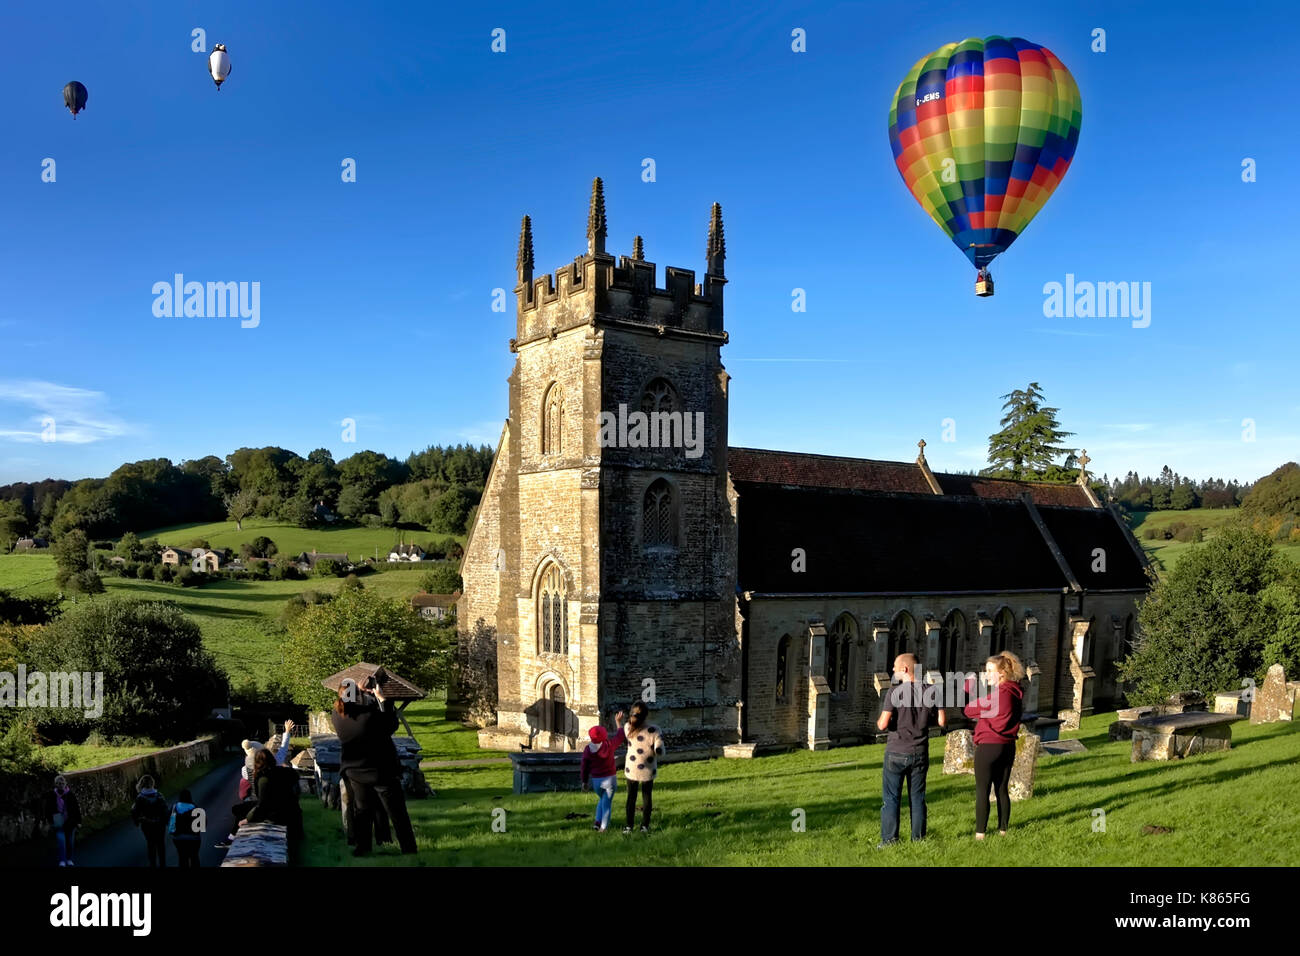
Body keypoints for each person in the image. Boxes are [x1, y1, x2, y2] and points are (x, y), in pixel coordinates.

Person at [331, 675, 417, 856]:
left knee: (362, 810)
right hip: (380, 769)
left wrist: (360, 692)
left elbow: (352, 704)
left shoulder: (337, 715)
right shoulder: (369, 715)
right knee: (397, 812)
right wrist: (382, 699)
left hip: (354, 770)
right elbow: (391, 724)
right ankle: (408, 849)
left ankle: (363, 847)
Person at [876, 653, 946, 846]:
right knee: (917, 798)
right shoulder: (932, 690)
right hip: (920, 751)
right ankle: (919, 839)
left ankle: (890, 840)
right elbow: (941, 721)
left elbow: (882, 725)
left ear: (905, 669)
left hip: (896, 751)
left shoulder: (894, 692)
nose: (892, 671)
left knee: (891, 799)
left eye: (895, 667)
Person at [963, 651, 1026, 839]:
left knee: (983, 790)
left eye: (990, 670)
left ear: (1002, 673)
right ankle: (1003, 831)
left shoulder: (1000, 695)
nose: (986, 674)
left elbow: (968, 710)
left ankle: (980, 834)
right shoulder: (1015, 691)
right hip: (1007, 746)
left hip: (990, 745)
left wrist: (968, 689)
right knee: (1001, 789)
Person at [240, 747, 304, 854]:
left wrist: (247, 819)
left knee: (240, 810)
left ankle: (233, 839)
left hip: (277, 817)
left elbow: (262, 805)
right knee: (239, 808)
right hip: (294, 813)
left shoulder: (263, 779)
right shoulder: (287, 772)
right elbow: (297, 789)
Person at [619, 701, 665, 834]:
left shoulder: (628, 727)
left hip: (632, 769)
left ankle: (629, 827)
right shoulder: (654, 730)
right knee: (647, 797)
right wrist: (658, 749)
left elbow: (624, 728)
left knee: (631, 798)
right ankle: (644, 826)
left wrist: (619, 722)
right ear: (646, 715)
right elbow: (659, 743)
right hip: (648, 769)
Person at [579, 725, 618, 832]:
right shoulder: (609, 745)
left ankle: (597, 822)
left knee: (602, 799)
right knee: (607, 805)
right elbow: (619, 736)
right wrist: (618, 724)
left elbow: (584, 767)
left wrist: (584, 781)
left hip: (597, 781)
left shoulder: (588, 749)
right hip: (610, 779)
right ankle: (603, 828)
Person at [130, 775, 170, 867]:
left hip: (147, 825)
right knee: (161, 845)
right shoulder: (159, 795)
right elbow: (165, 810)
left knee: (151, 844)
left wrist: (137, 821)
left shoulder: (140, 797)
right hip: (160, 824)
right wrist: (166, 821)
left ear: (141, 784)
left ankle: (153, 864)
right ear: (152, 783)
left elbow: (134, 811)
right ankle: (162, 865)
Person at [45, 775, 82, 867]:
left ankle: (69, 859)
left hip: (70, 822)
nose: (60, 785)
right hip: (58, 822)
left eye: (62, 783)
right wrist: (50, 821)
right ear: (55, 784)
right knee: (61, 843)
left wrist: (79, 821)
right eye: (58, 783)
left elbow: (76, 808)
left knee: (70, 843)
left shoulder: (70, 794)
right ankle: (62, 860)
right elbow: (47, 809)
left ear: (65, 784)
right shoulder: (51, 795)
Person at [169, 788, 202, 867]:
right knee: (194, 857)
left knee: (182, 858)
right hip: (193, 838)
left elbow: (168, 820)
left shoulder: (174, 807)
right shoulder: (195, 808)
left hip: (178, 838)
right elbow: (203, 825)